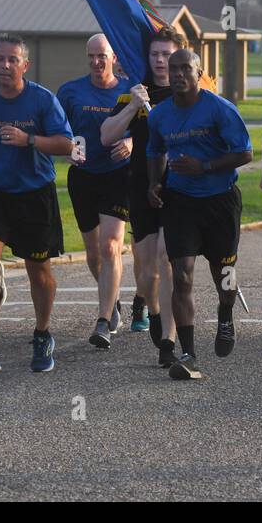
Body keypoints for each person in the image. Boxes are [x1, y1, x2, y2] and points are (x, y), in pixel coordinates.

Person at [0, 33, 74, 373]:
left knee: (39, 272)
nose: (5, 66)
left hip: (35, 193)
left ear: (25, 64)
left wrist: (30, 139)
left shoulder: (42, 100)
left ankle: (42, 333)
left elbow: (67, 145)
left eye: (12, 60)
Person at [147, 49, 253, 380]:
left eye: (185, 68)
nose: (177, 73)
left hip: (220, 200)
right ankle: (189, 354)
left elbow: (245, 153)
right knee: (181, 274)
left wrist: (204, 166)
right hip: (180, 201)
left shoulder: (220, 109)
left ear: (198, 72)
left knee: (225, 274)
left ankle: (225, 315)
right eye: (173, 68)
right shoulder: (159, 115)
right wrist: (154, 184)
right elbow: (155, 150)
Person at [100, 28, 183, 359]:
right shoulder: (134, 94)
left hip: (178, 186)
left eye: (167, 55)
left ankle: (170, 338)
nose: (160, 61)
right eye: (155, 54)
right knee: (148, 270)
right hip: (140, 186)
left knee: (168, 258)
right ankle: (155, 311)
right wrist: (134, 105)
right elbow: (107, 136)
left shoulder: (188, 95)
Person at [57, 34, 134, 350]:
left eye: (101, 55)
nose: (96, 61)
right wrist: (68, 150)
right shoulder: (71, 91)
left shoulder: (128, 92)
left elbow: (150, 130)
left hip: (117, 176)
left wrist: (131, 143)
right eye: (91, 56)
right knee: (93, 252)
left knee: (111, 245)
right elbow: (57, 130)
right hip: (83, 177)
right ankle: (112, 299)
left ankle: (103, 320)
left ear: (114, 57)